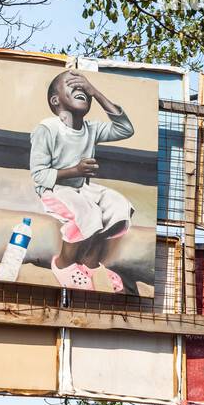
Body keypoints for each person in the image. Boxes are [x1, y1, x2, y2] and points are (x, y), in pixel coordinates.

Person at [30, 69, 135, 293]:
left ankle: (90, 262)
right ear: (56, 100)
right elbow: (39, 175)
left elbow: (125, 129)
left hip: (81, 188)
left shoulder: (91, 128)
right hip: (53, 189)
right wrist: (75, 170)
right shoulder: (47, 128)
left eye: (84, 87)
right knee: (88, 213)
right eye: (73, 86)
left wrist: (95, 91)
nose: (81, 89)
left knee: (119, 207)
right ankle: (63, 264)